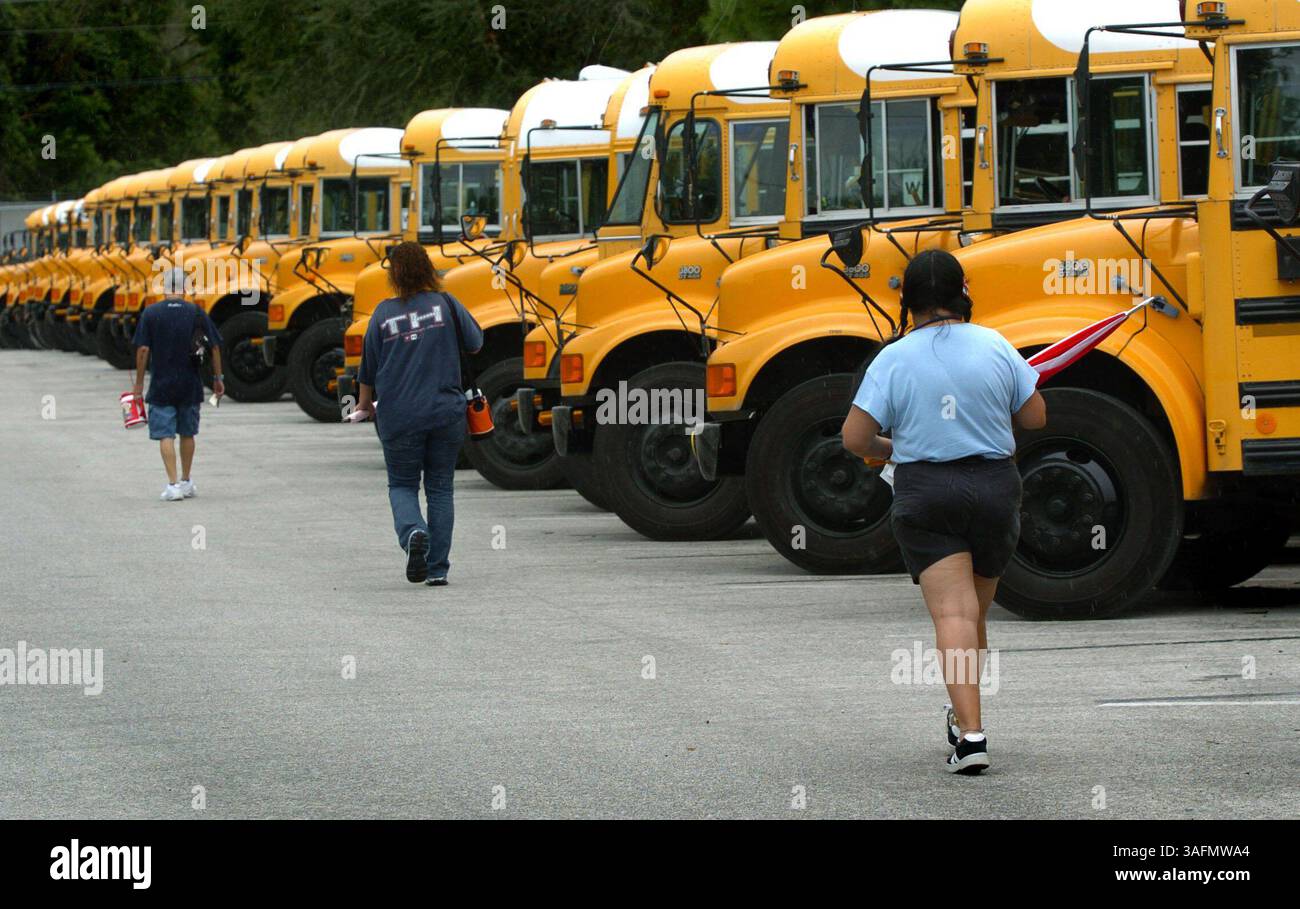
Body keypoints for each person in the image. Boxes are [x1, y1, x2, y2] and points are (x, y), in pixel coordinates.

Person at [841, 249, 1047, 775]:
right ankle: (965, 720)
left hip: (927, 491)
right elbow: (1035, 416)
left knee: (953, 616)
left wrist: (896, 448)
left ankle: (972, 736)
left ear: (906, 301)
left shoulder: (893, 358)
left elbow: (855, 437)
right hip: (996, 488)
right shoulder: (997, 344)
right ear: (964, 291)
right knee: (973, 614)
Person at [353, 241, 482, 587]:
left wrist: (363, 406)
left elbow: (367, 369)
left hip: (399, 415)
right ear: (428, 269)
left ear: (394, 275)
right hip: (445, 412)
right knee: (440, 488)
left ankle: (413, 533)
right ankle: (437, 568)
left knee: (402, 484)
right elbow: (476, 343)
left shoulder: (382, 314)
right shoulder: (447, 305)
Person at [132, 267, 224, 501]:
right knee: (187, 433)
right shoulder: (196, 312)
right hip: (189, 384)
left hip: (161, 385)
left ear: (163, 288)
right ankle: (186, 480)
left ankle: (172, 485)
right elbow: (214, 346)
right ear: (185, 289)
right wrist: (217, 379)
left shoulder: (151, 313)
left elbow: (143, 350)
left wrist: (138, 387)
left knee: (165, 435)